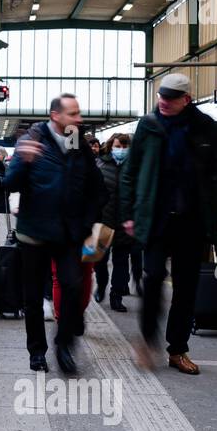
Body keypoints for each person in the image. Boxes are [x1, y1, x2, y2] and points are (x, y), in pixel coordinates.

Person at [120, 73, 217, 374]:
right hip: (157, 219)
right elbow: (130, 172)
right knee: (153, 278)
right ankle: (147, 343)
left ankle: (178, 349)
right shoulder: (148, 126)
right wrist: (128, 213)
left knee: (186, 288)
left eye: (171, 98)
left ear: (186, 99)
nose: (163, 101)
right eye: (161, 96)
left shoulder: (207, 129)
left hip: (192, 220)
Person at [3, 94, 106, 374]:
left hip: (69, 234)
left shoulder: (78, 144)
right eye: (73, 113)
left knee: (73, 286)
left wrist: (88, 225)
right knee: (33, 297)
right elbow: (9, 183)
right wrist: (23, 162)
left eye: (78, 113)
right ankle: (37, 352)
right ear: (55, 116)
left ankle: (64, 345)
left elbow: (96, 188)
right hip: (34, 233)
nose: (79, 119)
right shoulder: (31, 141)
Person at [95, 133, 137, 312]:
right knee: (99, 261)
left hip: (125, 224)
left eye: (125, 147)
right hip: (102, 221)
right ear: (111, 146)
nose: (121, 150)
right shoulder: (100, 164)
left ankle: (116, 296)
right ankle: (101, 284)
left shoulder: (135, 167)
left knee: (121, 263)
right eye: (118, 146)